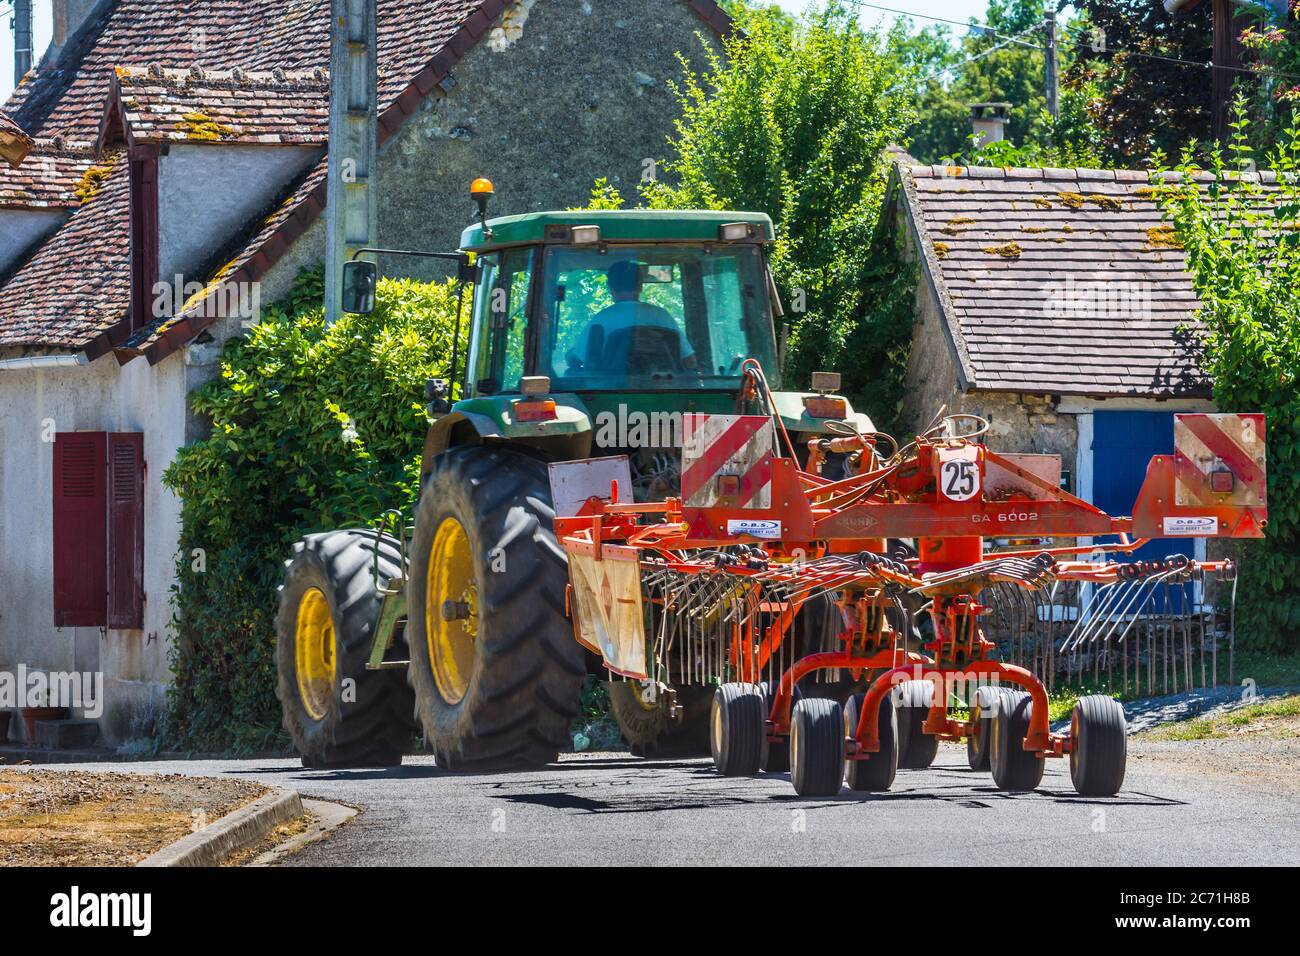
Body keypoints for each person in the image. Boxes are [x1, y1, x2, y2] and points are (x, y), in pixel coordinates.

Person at [579, 260, 696, 369]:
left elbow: (578, 358)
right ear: (640, 286)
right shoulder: (662, 316)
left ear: (610, 287)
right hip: (660, 387)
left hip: (612, 389)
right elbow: (690, 361)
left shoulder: (601, 319)